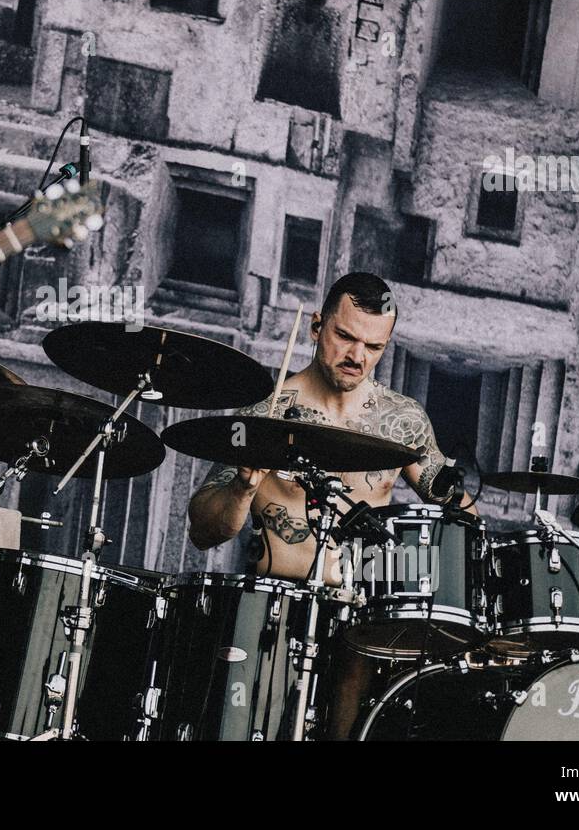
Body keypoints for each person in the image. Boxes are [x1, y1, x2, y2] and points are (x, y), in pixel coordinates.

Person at [187, 271, 476, 738]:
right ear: (317, 326)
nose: (357, 357)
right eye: (344, 336)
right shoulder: (264, 414)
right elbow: (202, 530)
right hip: (275, 611)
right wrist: (242, 488)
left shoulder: (402, 422)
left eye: (374, 347)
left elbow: (460, 511)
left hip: (363, 620)